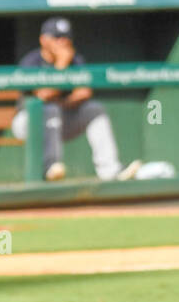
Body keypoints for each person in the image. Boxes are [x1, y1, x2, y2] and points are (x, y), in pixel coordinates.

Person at [11, 16, 136, 182]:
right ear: (43, 40)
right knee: (50, 109)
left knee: (94, 109)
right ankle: (49, 167)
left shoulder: (75, 60)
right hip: (28, 122)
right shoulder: (32, 61)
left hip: (61, 119)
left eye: (66, 37)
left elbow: (84, 92)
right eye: (57, 37)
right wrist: (62, 63)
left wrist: (63, 102)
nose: (63, 42)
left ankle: (110, 170)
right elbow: (43, 95)